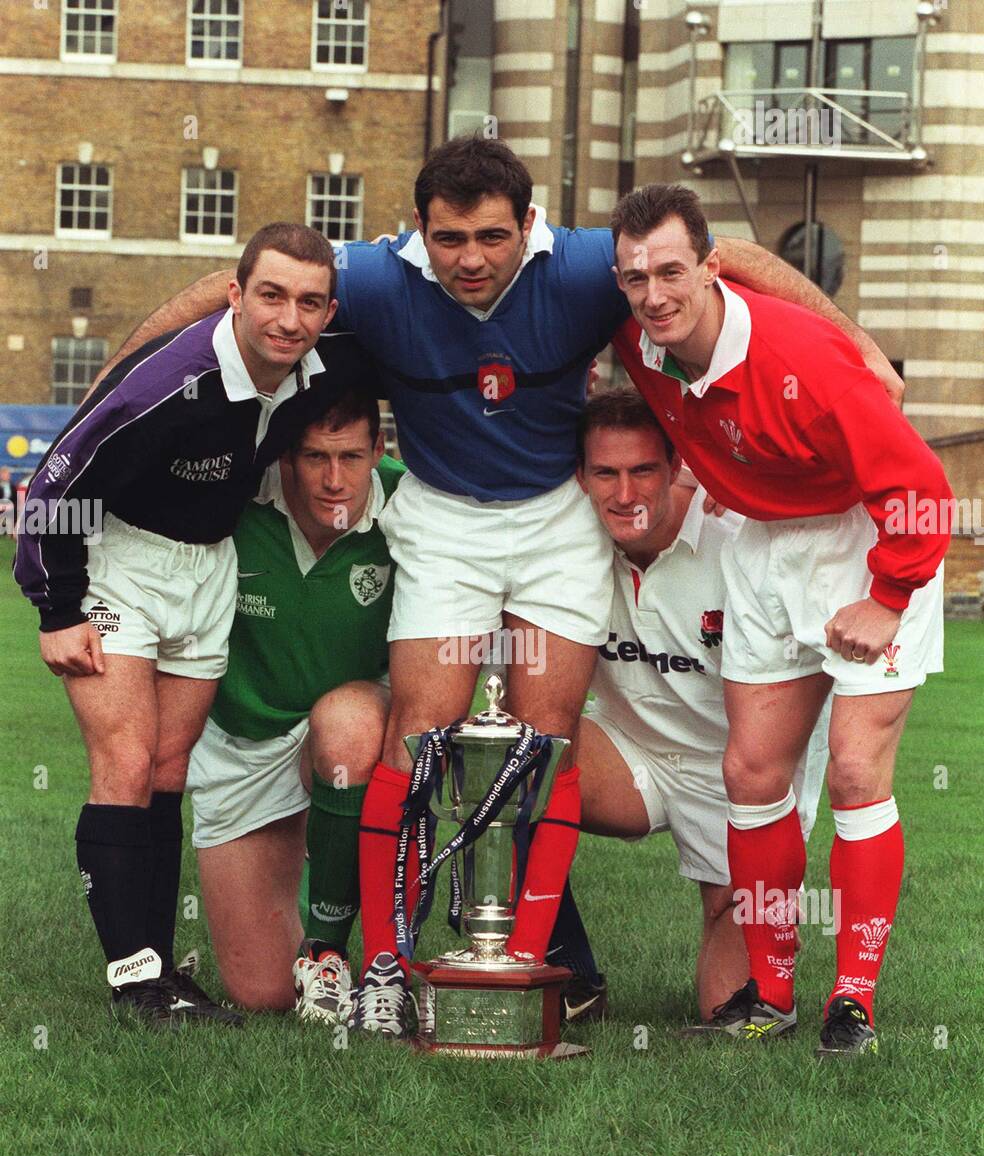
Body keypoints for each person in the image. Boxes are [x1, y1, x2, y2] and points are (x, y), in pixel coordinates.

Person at [91, 138, 905, 1041]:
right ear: (418, 233)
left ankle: (526, 955)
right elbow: (225, 285)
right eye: (448, 240)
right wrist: (117, 379)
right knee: (418, 731)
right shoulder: (374, 274)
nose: (469, 259)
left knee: (540, 741)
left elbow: (739, 259)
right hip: (445, 518)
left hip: (555, 516)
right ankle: (390, 965)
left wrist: (856, 341)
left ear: (530, 225)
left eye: (490, 236)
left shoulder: (591, 264)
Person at [609, 184, 952, 1055]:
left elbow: (921, 488)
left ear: (712, 265)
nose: (654, 294)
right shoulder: (642, 347)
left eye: (672, 271)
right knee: (752, 774)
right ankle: (770, 993)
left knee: (850, 775)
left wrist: (887, 596)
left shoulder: (805, 357)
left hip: (867, 538)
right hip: (760, 544)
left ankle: (855, 1001)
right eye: (634, 278)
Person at [14, 222, 377, 1029]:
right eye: (273, 296)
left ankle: (159, 971)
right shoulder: (170, 382)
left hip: (208, 568)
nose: (290, 319)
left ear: (329, 312)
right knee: (127, 761)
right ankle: (134, 978)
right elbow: (51, 486)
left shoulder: (322, 367)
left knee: (170, 767)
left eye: (310, 302)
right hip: (124, 565)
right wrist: (59, 608)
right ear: (235, 294)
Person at [543, 388, 829, 1023]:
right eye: (605, 473)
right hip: (630, 753)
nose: (624, 494)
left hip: (744, 774)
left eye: (643, 470)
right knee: (511, 760)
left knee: (729, 1015)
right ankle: (566, 976)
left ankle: (761, 914)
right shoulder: (561, 540)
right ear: (579, 477)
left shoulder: (742, 544)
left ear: (678, 467)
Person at [185, 390, 400, 1027]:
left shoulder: (414, 504)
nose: (335, 480)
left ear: (378, 451)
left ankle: (329, 950)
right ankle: (313, 866)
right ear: (284, 459)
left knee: (347, 722)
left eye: (351, 457)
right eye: (314, 458)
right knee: (265, 994)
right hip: (241, 741)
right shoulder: (234, 497)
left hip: (347, 733)